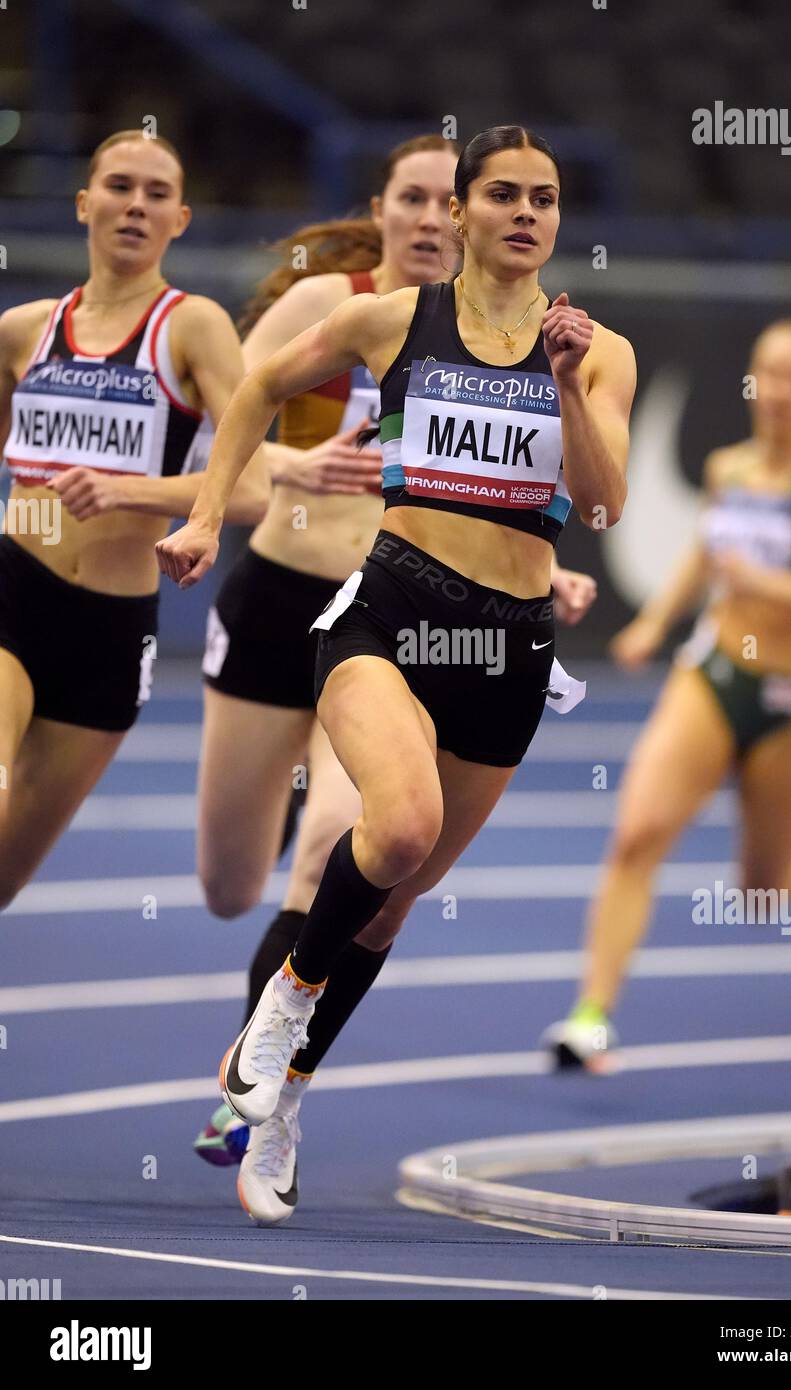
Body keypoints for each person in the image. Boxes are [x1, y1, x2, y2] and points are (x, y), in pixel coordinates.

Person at [158, 124, 635, 1222]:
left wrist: (564, 387)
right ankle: (281, 1004)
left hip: (507, 648)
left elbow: (604, 507)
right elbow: (260, 384)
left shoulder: (595, 348)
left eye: (545, 199)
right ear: (460, 212)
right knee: (398, 828)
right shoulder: (390, 320)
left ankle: (281, 1103)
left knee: (387, 904)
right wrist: (199, 513)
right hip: (390, 611)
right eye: (502, 194)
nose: (525, 213)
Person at [541, 319, 791, 1070]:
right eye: (771, 374)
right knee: (636, 837)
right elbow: (705, 553)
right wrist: (655, 623)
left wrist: (770, 584)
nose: (782, 392)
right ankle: (590, 1016)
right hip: (714, 673)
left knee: (766, 899)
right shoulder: (730, 469)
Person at [0, 130, 268, 911]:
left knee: (7, 876)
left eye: (157, 194)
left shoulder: (193, 327)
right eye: (120, 186)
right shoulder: (22, 332)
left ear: (179, 220)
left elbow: (249, 492)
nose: (136, 205)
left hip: (110, 632)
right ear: (86, 204)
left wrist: (128, 492)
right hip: (13, 593)